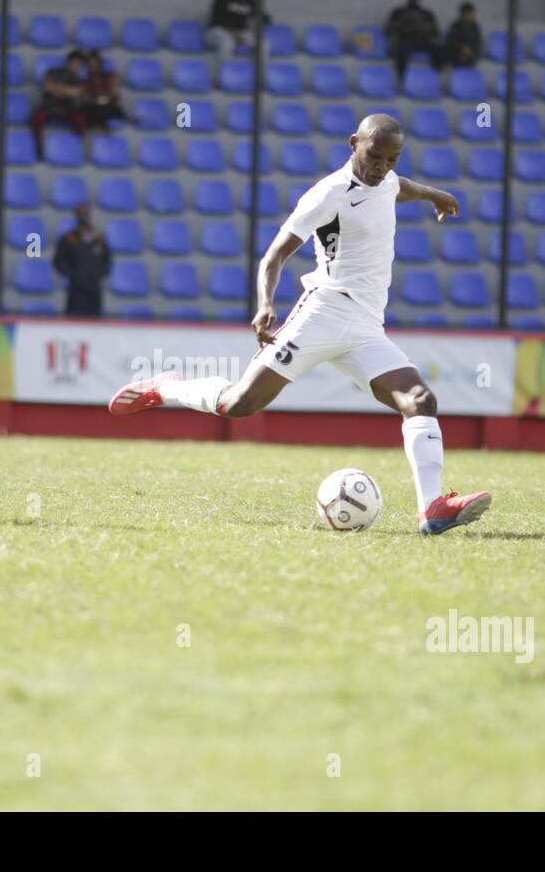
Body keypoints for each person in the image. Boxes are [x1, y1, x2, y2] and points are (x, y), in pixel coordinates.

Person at [108, 114, 492, 537]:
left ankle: (432, 509)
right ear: (353, 144)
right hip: (323, 312)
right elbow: (273, 256)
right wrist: (265, 303)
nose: (382, 165)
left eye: (392, 158)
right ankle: (166, 387)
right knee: (239, 405)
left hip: (366, 326)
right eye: (374, 155)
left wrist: (433, 194)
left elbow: (397, 188)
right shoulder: (327, 194)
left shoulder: (387, 178)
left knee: (419, 399)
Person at [53, 203, 111, 317]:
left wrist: (96, 275)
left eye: (86, 213)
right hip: (75, 290)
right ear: (76, 215)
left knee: (94, 324)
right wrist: (75, 275)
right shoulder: (68, 238)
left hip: (94, 290)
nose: (83, 216)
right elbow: (59, 262)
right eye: (81, 213)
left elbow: (107, 261)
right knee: (73, 323)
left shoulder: (99, 238)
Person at [384, 0, 445, 78]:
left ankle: (435, 76)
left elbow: (437, 33)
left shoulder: (427, 13)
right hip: (405, 41)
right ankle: (403, 79)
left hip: (423, 41)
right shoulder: (399, 11)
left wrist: (423, 23)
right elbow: (387, 30)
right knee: (400, 49)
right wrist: (403, 19)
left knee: (439, 49)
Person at [30, 50, 87, 153]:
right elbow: (47, 86)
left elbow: (77, 93)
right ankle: (39, 147)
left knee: (80, 120)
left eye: (80, 64)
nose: (78, 66)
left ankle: (76, 147)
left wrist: (59, 89)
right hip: (49, 106)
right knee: (37, 118)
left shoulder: (77, 78)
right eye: (77, 63)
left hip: (67, 108)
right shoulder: (53, 72)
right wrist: (67, 91)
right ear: (70, 61)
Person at [205, 0, 269, 61]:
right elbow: (216, 20)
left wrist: (260, 23)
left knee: (263, 44)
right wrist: (232, 32)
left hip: (241, 33)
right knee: (227, 42)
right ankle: (225, 73)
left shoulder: (251, 2)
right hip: (218, 31)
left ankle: (259, 73)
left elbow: (265, 18)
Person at [79, 53, 128, 132]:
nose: (93, 66)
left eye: (95, 63)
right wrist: (93, 96)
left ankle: (104, 133)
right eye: (90, 64)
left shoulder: (110, 76)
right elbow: (85, 98)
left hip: (109, 106)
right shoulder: (86, 80)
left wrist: (103, 94)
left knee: (106, 111)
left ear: (100, 64)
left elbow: (114, 92)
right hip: (93, 106)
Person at [444, 2, 483, 69]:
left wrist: (471, 50)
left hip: (471, 54)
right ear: (462, 14)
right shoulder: (455, 26)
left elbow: (478, 42)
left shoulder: (475, 27)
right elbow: (450, 42)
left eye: (471, 13)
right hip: (457, 54)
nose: (470, 15)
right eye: (468, 13)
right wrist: (462, 48)